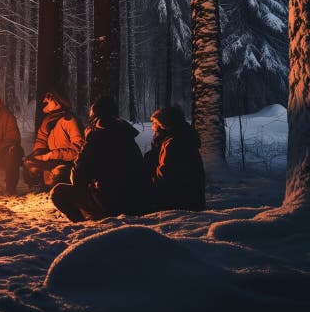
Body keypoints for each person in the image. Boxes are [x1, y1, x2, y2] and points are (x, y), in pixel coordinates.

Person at [50, 94, 149, 222]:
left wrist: (86, 143)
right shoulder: (126, 135)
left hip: (111, 204)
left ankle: (84, 223)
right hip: (135, 202)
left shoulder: (96, 137)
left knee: (58, 192)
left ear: (95, 116)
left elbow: (77, 178)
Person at [144, 105, 206, 211]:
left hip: (180, 202)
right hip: (189, 199)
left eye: (155, 124)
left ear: (164, 125)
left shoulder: (174, 144)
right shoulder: (182, 138)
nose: (153, 127)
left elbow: (165, 177)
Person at [22, 91, 85, 191]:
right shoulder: (47, 120)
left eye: (48, 99)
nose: (44, 101)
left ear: (57, 101)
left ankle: (56, 185)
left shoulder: (69, 120)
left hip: (66, 160)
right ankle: (39, 184)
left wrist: (50, 155)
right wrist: (38, 153)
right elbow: (41, 140)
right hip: (51, 159)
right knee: (28, 163)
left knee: (57, 176)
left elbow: (77, 149)